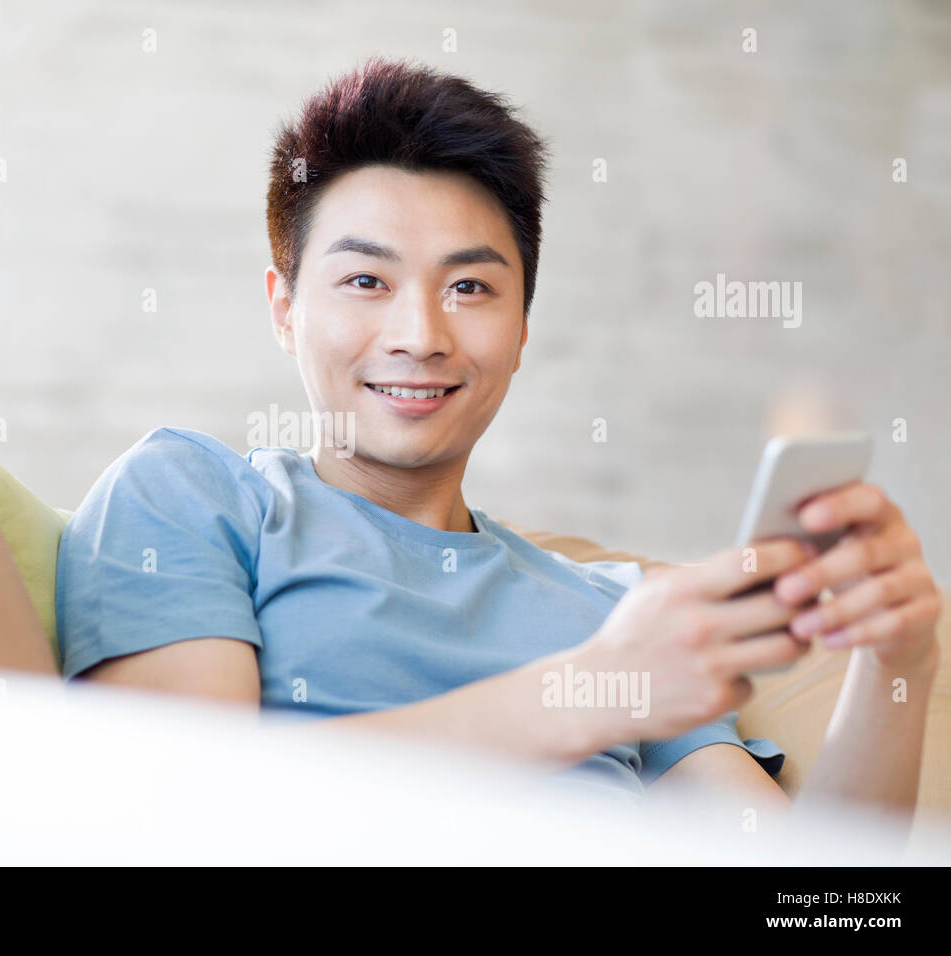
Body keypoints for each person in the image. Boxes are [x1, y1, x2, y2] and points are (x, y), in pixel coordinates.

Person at [56, 56, 941, 824]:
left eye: (471, 289)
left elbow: (820, 896)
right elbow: (178, 816)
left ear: (522, 328)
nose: (421, 333)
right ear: (284, 309)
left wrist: (895, 659)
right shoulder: (188, 495)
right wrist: (584, 696)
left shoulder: (607, 610)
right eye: (365, 278)